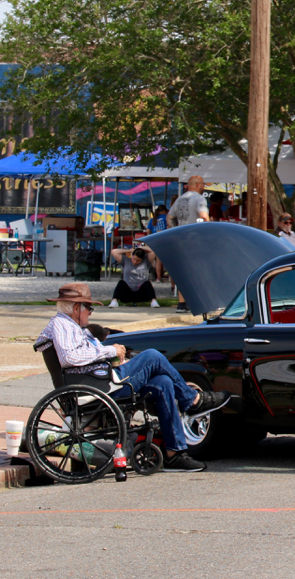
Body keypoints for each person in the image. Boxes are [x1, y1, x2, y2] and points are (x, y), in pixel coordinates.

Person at [36, 283, 231, 473]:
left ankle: (174, 452)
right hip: (97, 386)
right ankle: (192, 399)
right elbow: (69, 357)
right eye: (89, 308)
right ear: (77, 307)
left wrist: (111, 353)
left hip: (100, 380)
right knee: (153, 356)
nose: (90, 312)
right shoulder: (62, 324)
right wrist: (109, 350)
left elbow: (82, 354)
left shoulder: (73, 327)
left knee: (162, 383)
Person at [166, 176, 210, 312]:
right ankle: (198, 302)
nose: (203, 187)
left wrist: (176, 230)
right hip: (195, 239)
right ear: (197, 185)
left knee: (184, 272)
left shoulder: (180, 199)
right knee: (199, 271)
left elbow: (170, 217)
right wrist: (206, 230)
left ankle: (181, 303)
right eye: (202, 185)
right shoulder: (199, 199)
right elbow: (203, 216)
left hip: (181, 238)